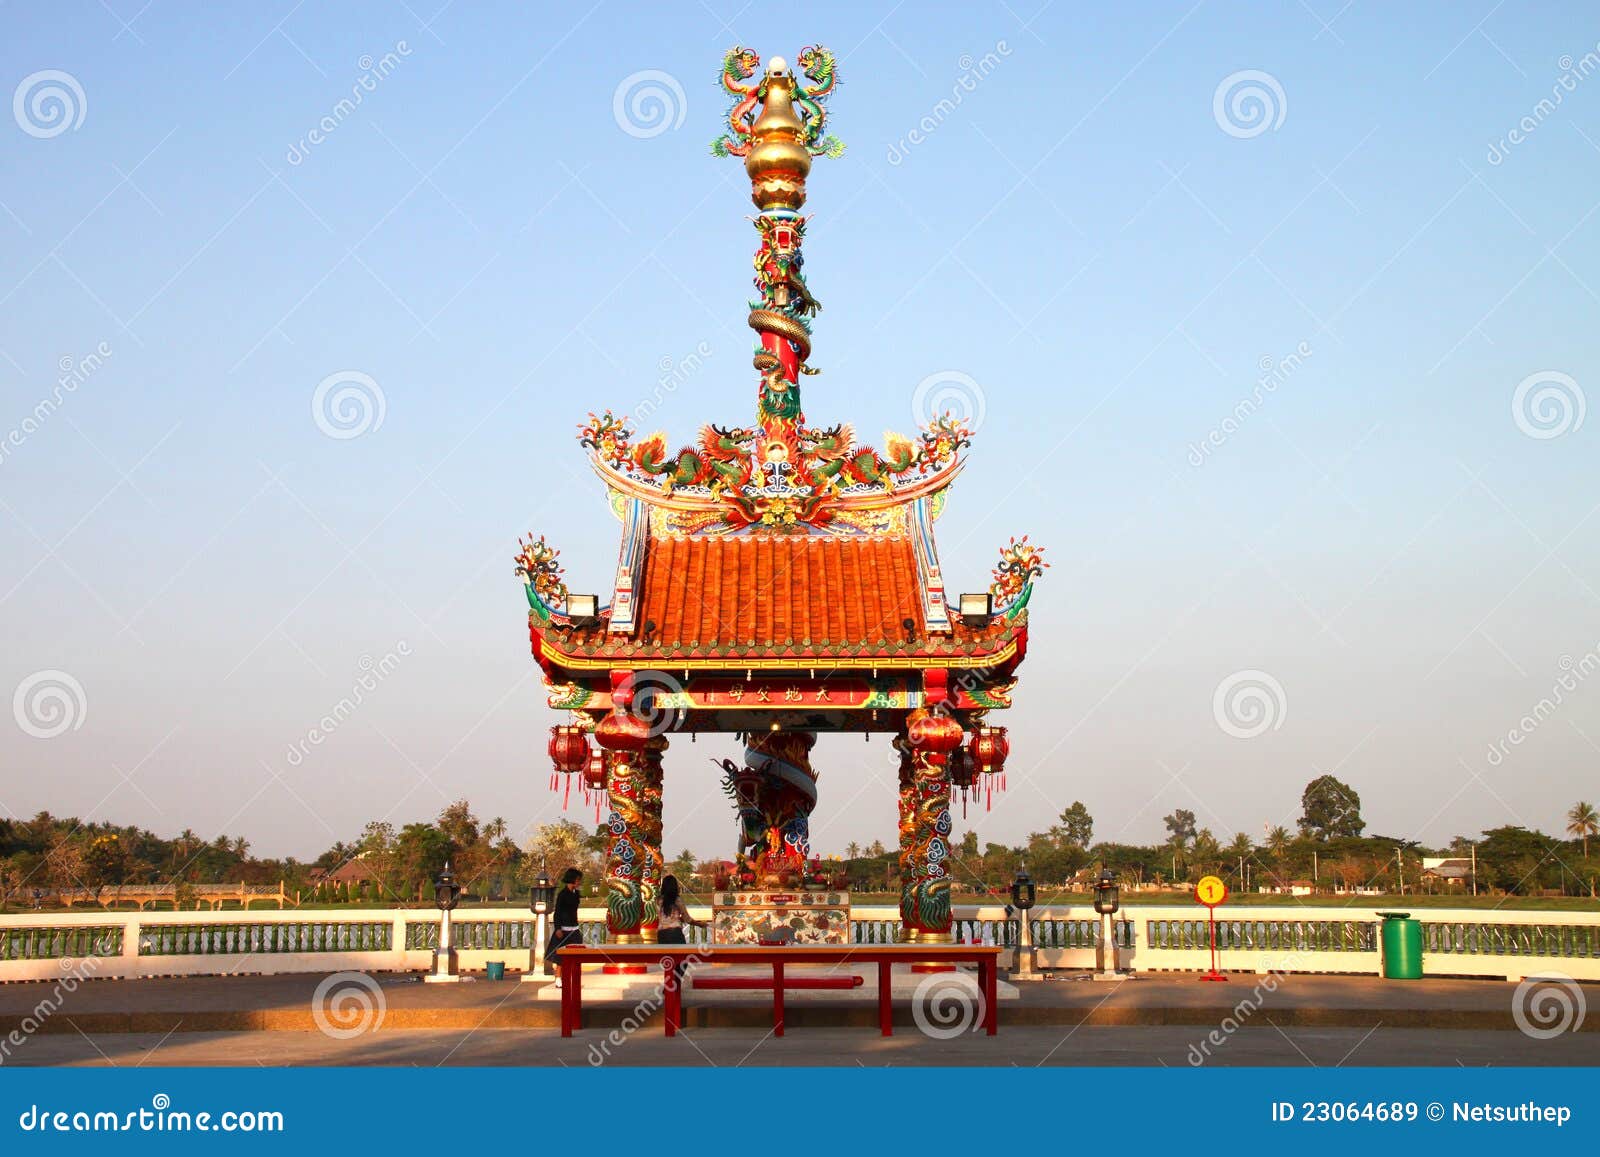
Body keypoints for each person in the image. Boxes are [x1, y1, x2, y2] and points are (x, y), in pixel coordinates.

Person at [656, 874, 707, 979]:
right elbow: (688, 919)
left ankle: (670, 985)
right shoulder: (677, 900)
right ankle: (673, 983)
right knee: (683, 960)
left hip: (662, 934)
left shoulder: (658, 900)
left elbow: (663, 916)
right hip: (675, 933)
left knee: (669, 962)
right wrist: (700, 924)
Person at [547, 867, 584, 981]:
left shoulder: (576, 894)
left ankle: (572, 976)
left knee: (576, 954)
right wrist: (558, 928)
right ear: (572, 880)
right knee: (560, 957)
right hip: (564, 928)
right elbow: (557, 912)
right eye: (578, 880)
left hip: (574, 928)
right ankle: (558, 977)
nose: (579, 882)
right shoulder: (562, 894)